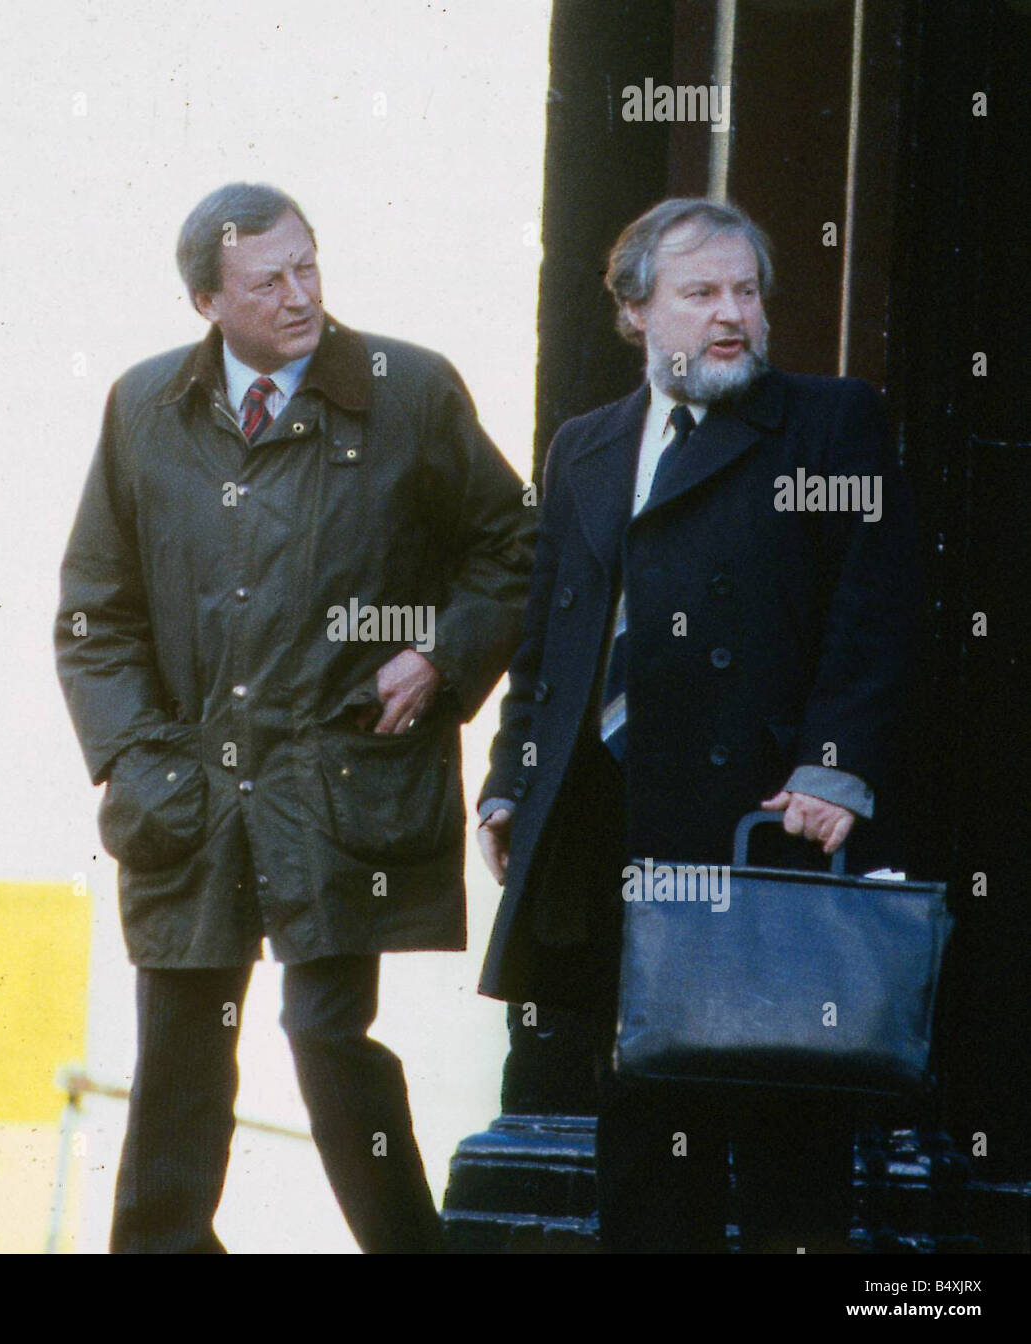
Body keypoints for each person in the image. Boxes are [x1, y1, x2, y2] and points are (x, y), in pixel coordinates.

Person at [54, 181, 533, 1253]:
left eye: (309, 265)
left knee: (325, 1036)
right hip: (190, 790)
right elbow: (96, 612)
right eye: (267, 281)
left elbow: (512, 547)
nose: (301, 296)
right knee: (179, 1050)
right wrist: (134, 760)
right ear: (205, 303)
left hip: (340, 782)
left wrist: (442, 655)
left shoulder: (407, 390)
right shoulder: (143, 410)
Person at [474, 197, 924, 1252]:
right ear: (636, 312)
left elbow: (877, 614)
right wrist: (509, 781)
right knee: (642, 1139)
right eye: (701, 294)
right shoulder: (586, 446)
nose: (733, 317)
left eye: (746, 292)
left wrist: (834, 770)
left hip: (766, 835)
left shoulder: (828, 421)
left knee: (786, 1150)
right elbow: (550, 647)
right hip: (616, 833)